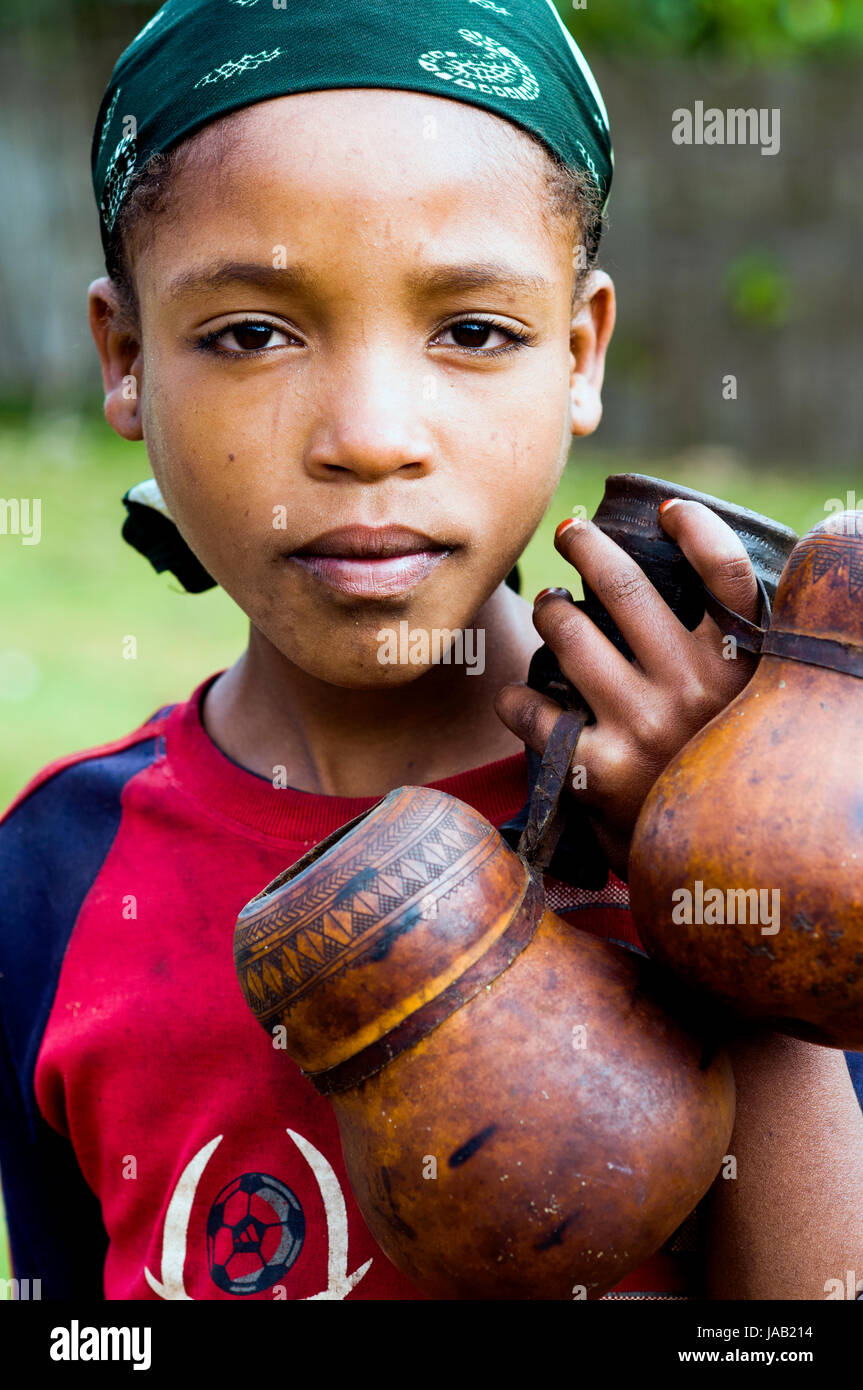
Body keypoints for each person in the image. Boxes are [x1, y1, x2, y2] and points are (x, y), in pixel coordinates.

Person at [1, 0, 861, 1302]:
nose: (370, 435)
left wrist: (719, 907)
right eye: (251, 332)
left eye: (472, 330)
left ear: (580, 356)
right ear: (125, 360)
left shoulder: (797, 845)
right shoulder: (49, 888)